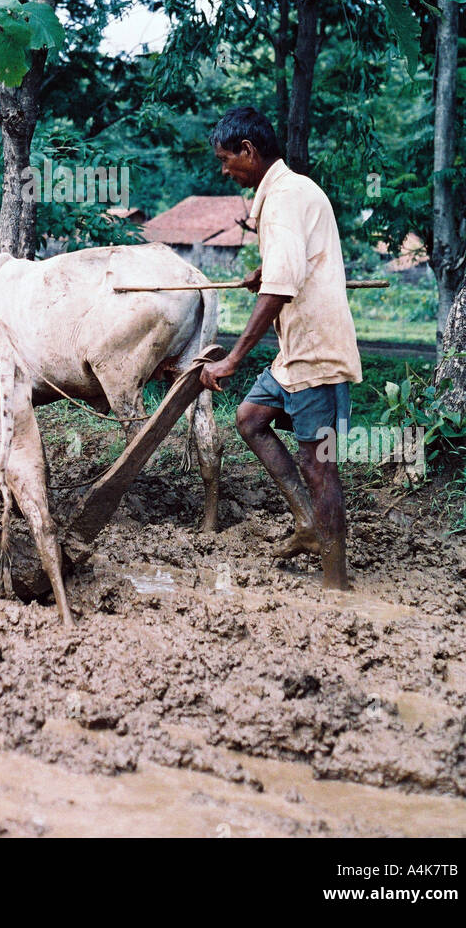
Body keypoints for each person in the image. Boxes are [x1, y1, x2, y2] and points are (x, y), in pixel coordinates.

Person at [199, 106, 361, 589]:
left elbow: (280, 290)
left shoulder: (286, 198)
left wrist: (232, 358)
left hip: (314, 352)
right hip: (294, 351)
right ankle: (308, 523)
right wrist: (264, 273)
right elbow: (286, 270)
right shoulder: (285, 194)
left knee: (319, 466)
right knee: (249, 419)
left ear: (249, 150)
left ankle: (336, 582)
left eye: (227, 160)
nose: (225, 170)